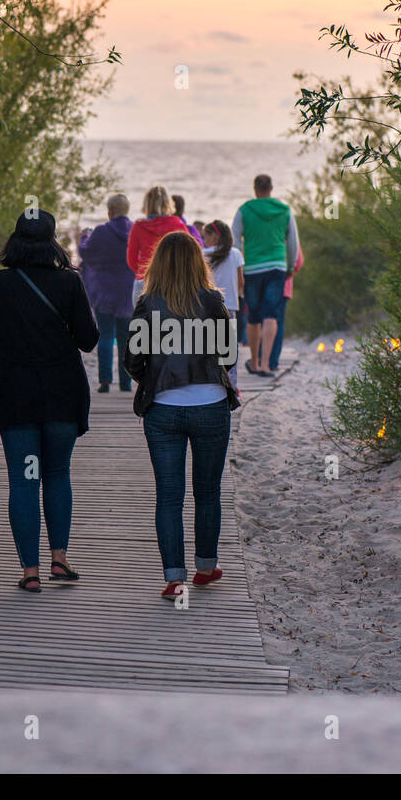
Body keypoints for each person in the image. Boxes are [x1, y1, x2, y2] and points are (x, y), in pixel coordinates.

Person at [0, 209, 99, 592]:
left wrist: (9, 351)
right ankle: (59, 559)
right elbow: (88, 339)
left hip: (16, 396)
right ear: (53, 241)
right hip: (62, 394)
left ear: (14, 242)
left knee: (24, 481)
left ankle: (30, 572)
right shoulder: (69, 284)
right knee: (57, 474)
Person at [125, 232, 240, 599]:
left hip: (163, 409)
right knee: (208, 491)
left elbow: (131, 361)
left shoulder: (147, 303)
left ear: (158, 264)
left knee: (169, 495)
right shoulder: (213, 300)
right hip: (211, 405)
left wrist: (155, 375)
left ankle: (174, 578)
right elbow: (230, 355)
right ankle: (206, 566)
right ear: (197, 262)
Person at [232, 174, 299, 377]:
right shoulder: (284, 210)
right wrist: (290, 266)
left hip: (252, 267)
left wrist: (239, 267)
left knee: (253, 316)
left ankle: (253, 362)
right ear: (271, 188)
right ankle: (265, 365)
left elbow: (235, 240)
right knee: (271, 315)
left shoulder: (244, 210)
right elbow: (293, 243)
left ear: (255, 189)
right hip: (277, 267)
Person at [78, 194, 136, 392]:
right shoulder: (135, 230)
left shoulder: (101, 231)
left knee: (105, 335)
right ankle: (126, 383)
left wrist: (84, 237)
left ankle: (105, 381)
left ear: (110, 211)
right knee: (126, 338)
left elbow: (86, 252)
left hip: (104, 292)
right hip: (129, 292)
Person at [126, 185, 195, 303]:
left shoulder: (138, 226)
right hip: (171, 282)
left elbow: (131, 259)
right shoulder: (177, 225)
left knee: (141, 321)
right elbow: (188, 256)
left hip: (144, 281)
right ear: (168, 203)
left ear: (146, 203)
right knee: (170, 321)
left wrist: (144, 271)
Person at [201, 219, 244, 387]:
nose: (204, 241)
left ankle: (210, 382)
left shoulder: (203, 254)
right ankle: (231, 385)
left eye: (206, 236)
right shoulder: (236, 254)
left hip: (207, 306)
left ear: (215, 237)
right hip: (230, 305)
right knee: (230, 348)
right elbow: (241, 281)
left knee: (208, 346)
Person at [268, 244, 304, 371]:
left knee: (265, 321)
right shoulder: (289, 237)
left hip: (267, 285)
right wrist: (289, 273)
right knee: (278, 323)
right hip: (284, 287)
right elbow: (298, 262)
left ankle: (264, 359)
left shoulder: (271, 234)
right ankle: (273, 361)